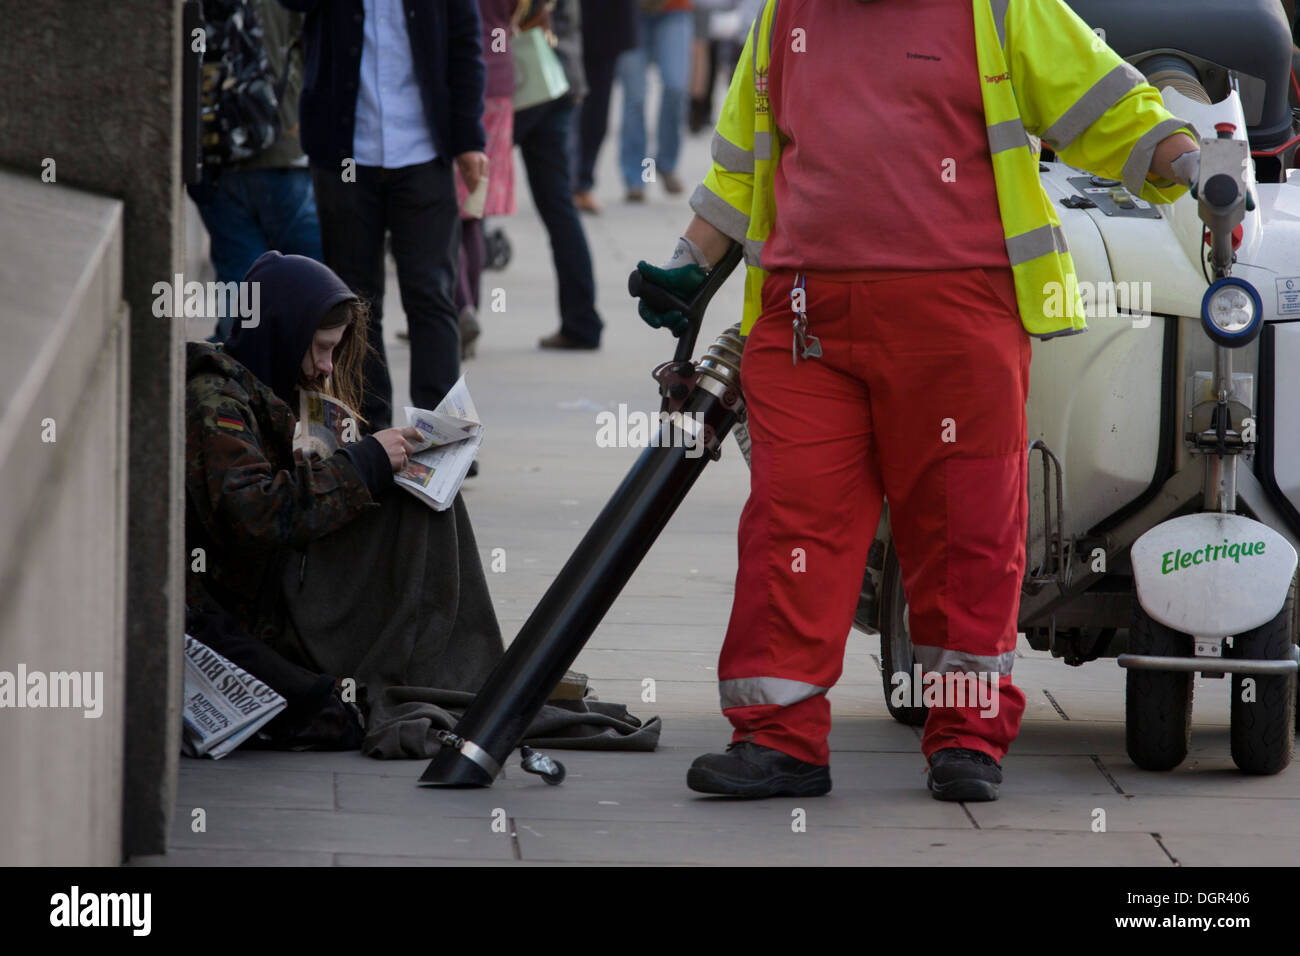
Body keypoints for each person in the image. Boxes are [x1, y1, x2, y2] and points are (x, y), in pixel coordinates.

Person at [634, 0, 1201, 801]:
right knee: (792, 526)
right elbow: (741, 162)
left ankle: (967, 734)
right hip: (806, 320)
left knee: (962, 530)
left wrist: (1186, 160)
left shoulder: (999, 9)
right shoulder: (786, 14)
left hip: (957, 317)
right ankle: (778, 738)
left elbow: (1104, 103)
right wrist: (690, 259)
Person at [185, 251, 506, 753]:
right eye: (319, 348)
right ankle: (419, 666)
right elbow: (251, 515)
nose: (324, 367)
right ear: (281, 332)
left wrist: (375, 457)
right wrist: (362, 466)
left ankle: (445, 663)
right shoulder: (215, 400)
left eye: (333, 351)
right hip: (245, 602)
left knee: (421, 497)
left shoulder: (269, 385)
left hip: (278, 576)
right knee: (394, 491)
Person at [283, 0, 490, 430]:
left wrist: (469, 138)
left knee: (432, 295)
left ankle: (443, 438)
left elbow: (465, 45)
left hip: (423, 152)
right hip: (345, 155)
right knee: (356, 305)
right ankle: (367, 435)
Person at [188, 0, 324, 343]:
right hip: (284, 153)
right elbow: (319, 55)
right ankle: (309, 382)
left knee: (240, 287)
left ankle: (238, 383)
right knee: (312, 287)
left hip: (215, 158)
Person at [515, 0, 605, 350]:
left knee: (464, 197)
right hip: (558, 78)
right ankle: (582, 321)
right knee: (559, 209)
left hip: (521, 77)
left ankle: (457, 313)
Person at [453, 0, 519, 359]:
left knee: (449, 210)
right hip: (499, 83)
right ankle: (469, 311)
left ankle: (461, 309)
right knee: (474, 211)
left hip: (460, 82)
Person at [617, 0, 694, 201]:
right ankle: (637, 177)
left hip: (674, 10)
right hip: (631, 12)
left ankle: (667, 164)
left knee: (676, 88)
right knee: (636, 98)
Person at [572, 0, 639, 214]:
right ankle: (566, 181)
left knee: (597, 109)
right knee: (564, 105)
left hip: (607, 18)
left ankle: (582, 181)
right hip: (564, 18)